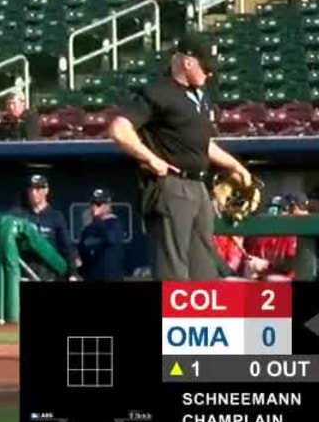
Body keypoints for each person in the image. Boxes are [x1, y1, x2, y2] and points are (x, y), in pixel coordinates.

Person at [107, 31, 252, 281]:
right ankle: (175, 319)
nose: (210, 74)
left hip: (199, 187)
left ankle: (200, 320)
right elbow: (119, 129)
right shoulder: (159, 91)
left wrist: (235, 166)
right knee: (173, 270)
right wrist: (151, 158)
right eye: (205, 67)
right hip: (172, 187)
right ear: (187, 62)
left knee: (204, 270)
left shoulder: (201, 96)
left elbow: (203, 144)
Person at [76, 190, 127, 281]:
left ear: (107, 205)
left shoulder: (115, 224)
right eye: (93, 204)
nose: (95, 207)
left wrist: (98, 220)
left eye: (99, 204)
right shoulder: (87, 230)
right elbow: (82, 254)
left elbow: (111, 239)